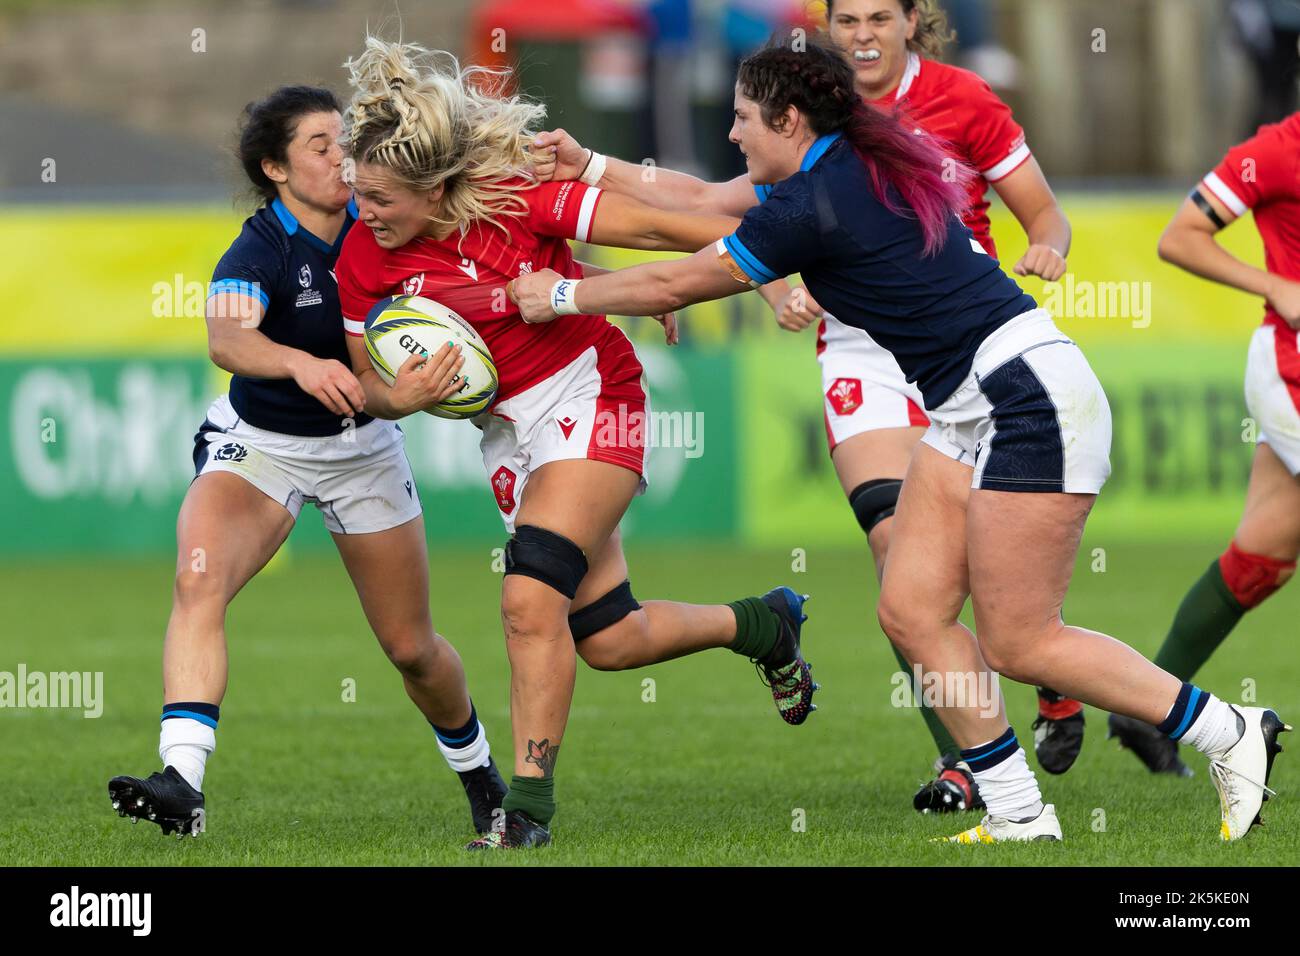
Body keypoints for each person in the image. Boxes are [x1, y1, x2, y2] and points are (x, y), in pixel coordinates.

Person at [511, 37, 1290, 843]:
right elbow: (708, 198)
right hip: (973, 404)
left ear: (787, 117)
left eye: (744, 117)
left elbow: (681, 278)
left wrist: (563, 293)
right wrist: (591, 164)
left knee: (1021, 641)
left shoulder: (817, 199)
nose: (734, 133)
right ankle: (1020, 813)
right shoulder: (839, 164)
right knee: (912, 610)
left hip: (1025, 401)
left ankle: (1227, 730)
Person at [531, 0, 1082, 815]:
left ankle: (1047, 668)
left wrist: (1049, 245)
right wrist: (590, 164)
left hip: (959, 336)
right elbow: (717, 198)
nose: (862, 33)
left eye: (879, 17)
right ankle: (972, 761)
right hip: (862, 349)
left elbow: (1042, 211)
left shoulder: (959, 101)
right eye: (847, 18)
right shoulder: (807, 122)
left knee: (992, 567)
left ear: (912, 22)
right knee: (901, 557)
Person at [334, 37, 818, 851]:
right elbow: (369, 383)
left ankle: (524, 813)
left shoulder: (516, 196)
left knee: (528, 602)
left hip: (597, 396)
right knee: (608, 638)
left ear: (439, 185)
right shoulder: (360, 257)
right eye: (359, 193)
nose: (365, 210)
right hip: (510, 433)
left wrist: (767, 278)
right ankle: (765, 626)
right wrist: (399, 397)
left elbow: (670, 226)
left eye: (381, 197)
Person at [107, 86, 509, 838]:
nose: (342, 159)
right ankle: (182, 783)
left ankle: (483, 778)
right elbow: (227, 339)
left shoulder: (383, 222)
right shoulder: (260, 247)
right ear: (276, 168)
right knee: (198, 578)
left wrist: (407, 392)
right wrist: (295, 362)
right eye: (320, 146)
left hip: (361, 450)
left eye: (344, 141)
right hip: (261, 446)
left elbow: (489, 263)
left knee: (411, 649)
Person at [1108, 110, 1300, 775]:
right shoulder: (1274, 152)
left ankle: (1145, 706)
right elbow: (1181, 237)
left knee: (1263, 555)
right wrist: (1274, 284)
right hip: (1293, 372)